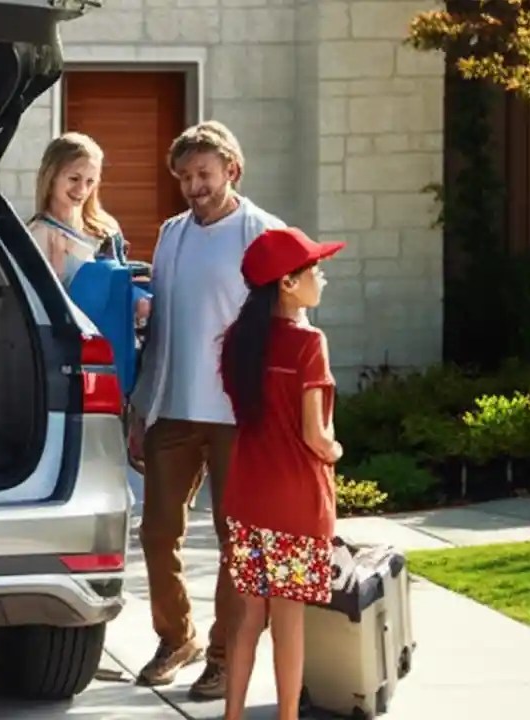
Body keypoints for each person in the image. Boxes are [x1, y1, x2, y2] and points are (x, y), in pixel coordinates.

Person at [124, 120, 286, 697]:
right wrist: (141, 406)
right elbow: (162, 325)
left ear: (231, 171)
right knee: (157, 530)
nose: (195, 186)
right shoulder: (172, 234)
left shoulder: (262, 232)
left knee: (232, 541)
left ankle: (223, 656)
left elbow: (293, 318)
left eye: (204, 175)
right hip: (175, 407)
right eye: (186, 176)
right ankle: (177, 638)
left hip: (241, 415)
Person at [218, 227, 345, 720]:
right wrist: (335, 450)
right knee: (289, 618)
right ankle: (287, 716)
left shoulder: (236, 342)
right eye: (315, 270)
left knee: (247, 615)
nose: (322, 279)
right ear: (288, 283)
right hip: (296, 502)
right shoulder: (309, 343)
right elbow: (316, 435)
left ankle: (233, 714)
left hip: (247, 495)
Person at [27, 131, 150, 327]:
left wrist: (140, 300)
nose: (81, 190)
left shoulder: (106, 228)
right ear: (51, 176)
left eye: (90, 181)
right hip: (75, 346)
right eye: (74, 179)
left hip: (115, 341)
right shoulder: (37, 236)